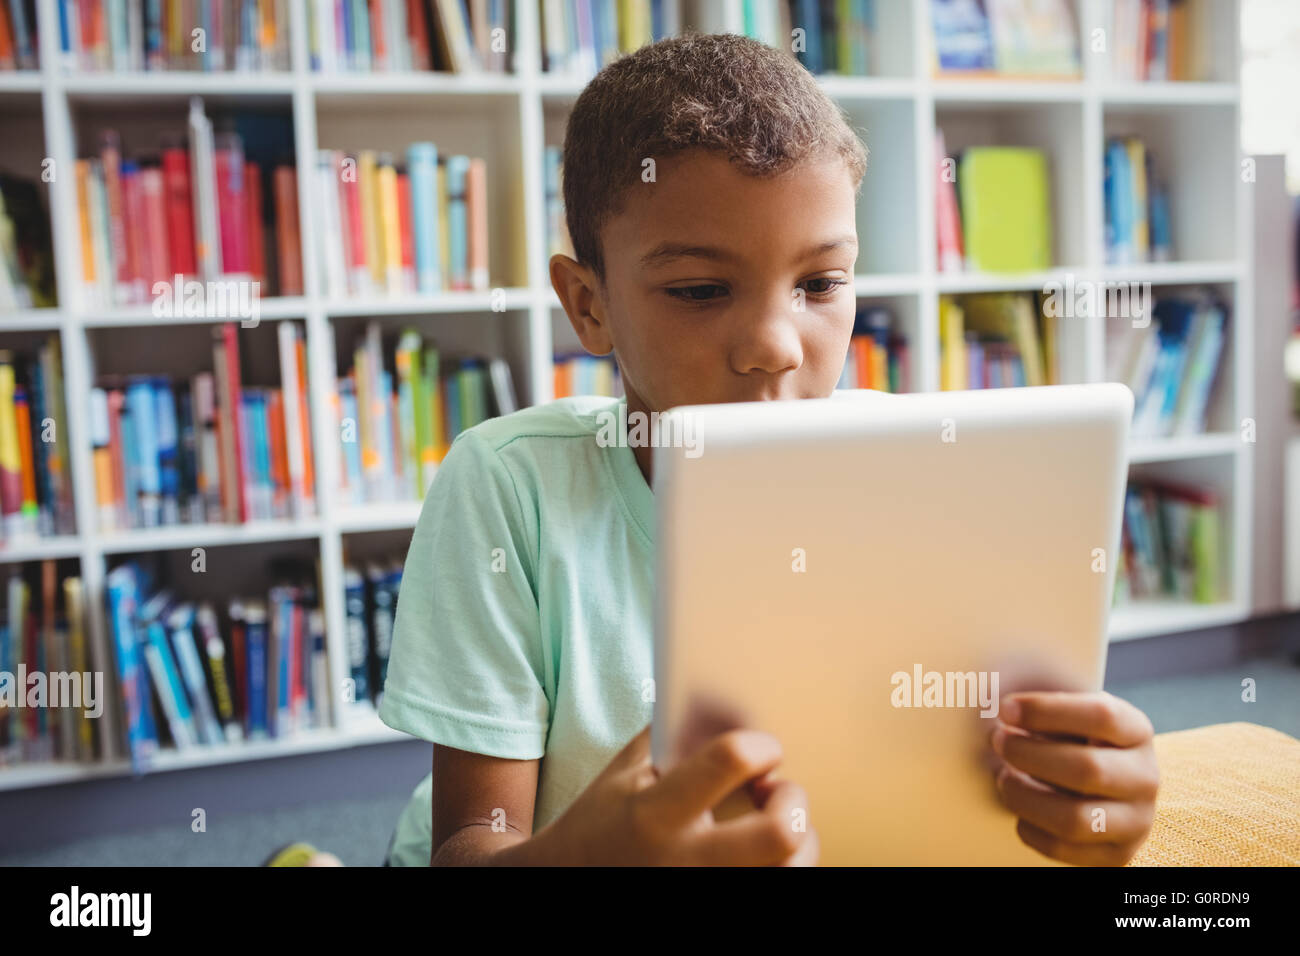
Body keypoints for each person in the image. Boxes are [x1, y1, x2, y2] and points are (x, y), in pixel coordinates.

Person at [375, 32, 1160, 866]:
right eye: (701, 290)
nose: (776, 346)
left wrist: (1088, 798)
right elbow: (472, 844)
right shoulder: (510, 487)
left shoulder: (918, 476)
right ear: (589, 305)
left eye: (820, 284)